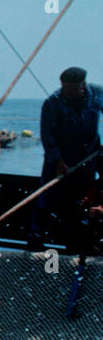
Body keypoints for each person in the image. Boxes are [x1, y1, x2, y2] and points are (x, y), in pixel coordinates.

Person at [31, 67, 103, 251]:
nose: (69, 93)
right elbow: (47, 135)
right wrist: (57, 160)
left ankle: (78, 243)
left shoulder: (97, 94)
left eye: (73, 89)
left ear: (83, 86)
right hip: (60, 156)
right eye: (66, 89)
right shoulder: (52, 103)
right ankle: (36, 241)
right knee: (45, 199)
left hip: (89, 154)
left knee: (81, 199)